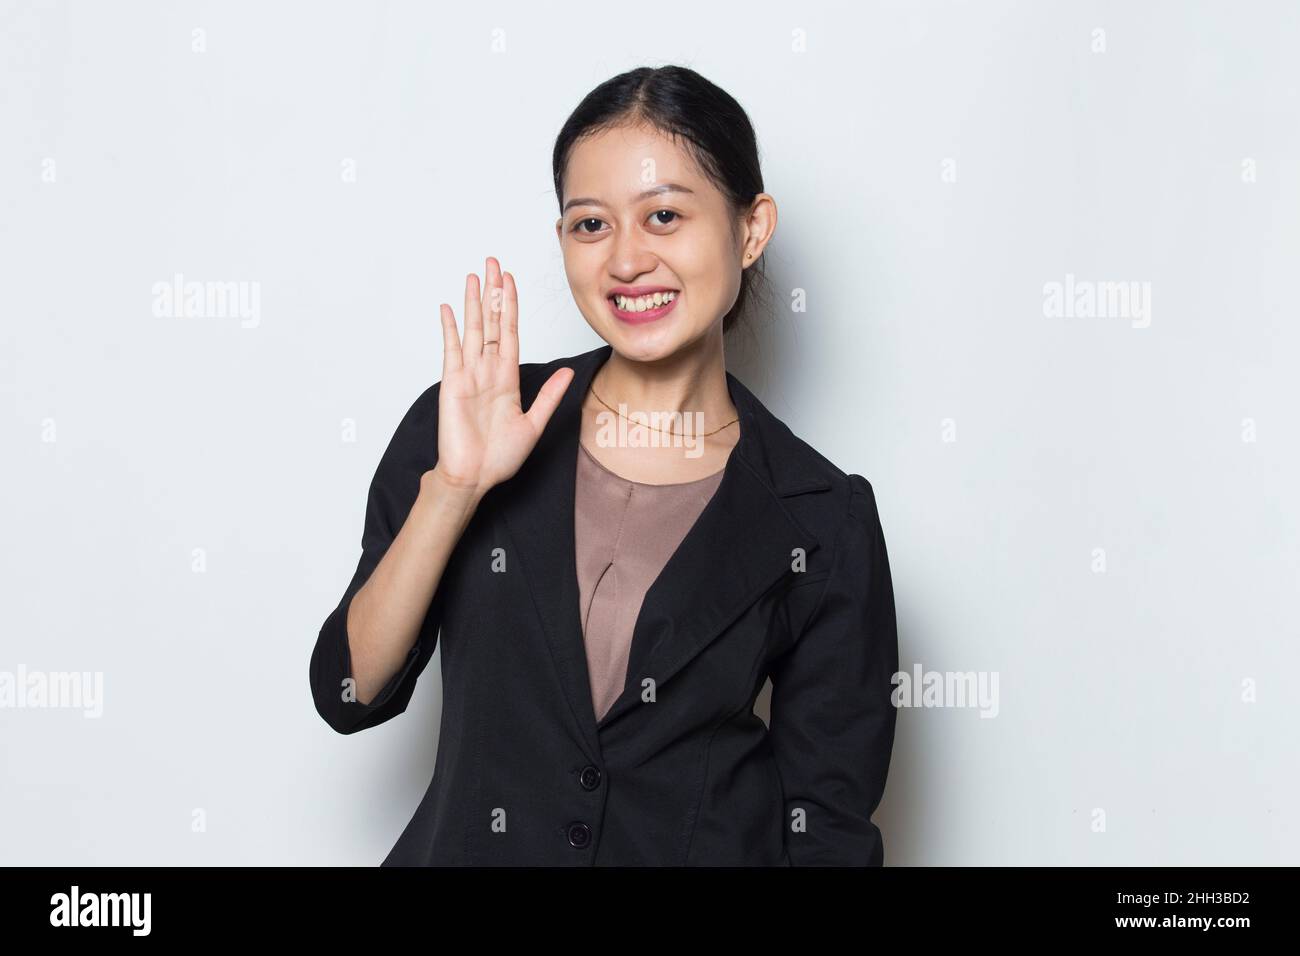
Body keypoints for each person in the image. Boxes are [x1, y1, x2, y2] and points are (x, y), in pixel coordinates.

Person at [309, 65, 899, 866]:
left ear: (751, 228)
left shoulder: (822, 516)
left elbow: (828, 826)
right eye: (591, 225)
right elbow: (350, 693)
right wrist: (454, 491)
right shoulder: (474, 422)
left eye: (664, 216)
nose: (626, 260)